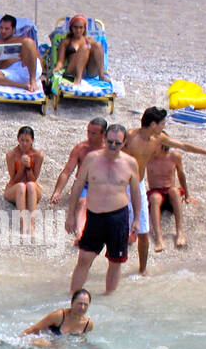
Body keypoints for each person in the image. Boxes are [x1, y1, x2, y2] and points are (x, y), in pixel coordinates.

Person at [121, 108, 206, 275]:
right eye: (163, 123)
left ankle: (142, 270)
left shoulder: (158, 138)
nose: (165, 125)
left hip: (139, 184)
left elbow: (183, 145)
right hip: (121, 184)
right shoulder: (130, 136)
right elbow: (111, 153)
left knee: (143, 231)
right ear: (154, 124)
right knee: (117, 225)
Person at [64, 124, 140, 295]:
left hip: (118, 217)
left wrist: (136, 219)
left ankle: (109, 297)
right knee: (84, 258)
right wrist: (70, 215)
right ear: (104, 138)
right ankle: (73, 297)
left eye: (118, 143)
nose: (113, 146)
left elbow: (135, 192)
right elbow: (77, 186)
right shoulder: (92, 159)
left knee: (115, 261)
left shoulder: (130, 163)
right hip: (95, 217)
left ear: (124, 142)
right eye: (110, 142)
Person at [48, 117, 106, 241]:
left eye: (94, 133)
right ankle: (80, 233)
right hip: (83, 183)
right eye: (88, 132)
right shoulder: (81, 148)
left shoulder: (109, 149)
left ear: (103, 134)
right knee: (82, 203)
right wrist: (57, 191)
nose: (89, 136)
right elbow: (67, 171)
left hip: (102, 185)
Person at [0, 14, 41, 95]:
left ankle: (33, 81)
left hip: (28, 69)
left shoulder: (22, 40)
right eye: (1, 28)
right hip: (11, 74)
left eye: (7, 29)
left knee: (29, 42)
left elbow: (38, 60)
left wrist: (25, 56)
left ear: (13, 30)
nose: (3, 31)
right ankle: (22, 86)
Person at [146, 143, 190, 251]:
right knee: (155, 198)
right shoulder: (147, 158)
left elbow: (181, 174)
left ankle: (180, 232)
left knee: (174, 191)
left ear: (163, 145)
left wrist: (187, 195)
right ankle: (159, 237)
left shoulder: (174, 156)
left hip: (170, 191)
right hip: (155, 192)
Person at [4, 125, 44, 239]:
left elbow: (33, 179)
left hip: (32, 189)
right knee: (21, 186)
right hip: (15, 188)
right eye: (22, 140)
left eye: (27, 141)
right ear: (18, 140)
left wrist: (28, 167)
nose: (24, 144)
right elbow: (14, 180)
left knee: (30, 185)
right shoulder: (11, 155)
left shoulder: (38, 155)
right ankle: (23, 225)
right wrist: (21, 166)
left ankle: (31, 225)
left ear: (32, 141)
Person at [51, 15, 107, 86]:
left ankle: (101, 74)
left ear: (84, 29)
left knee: (98, 45)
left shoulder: (89, 40)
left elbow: (98, 51)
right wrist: (57, 68)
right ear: (71, 28)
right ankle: (78, 79)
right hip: (73, 70)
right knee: (85, 48)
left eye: (81, 27)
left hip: (88, 71)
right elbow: (60, 61)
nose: (78, 30)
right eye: (75, 27)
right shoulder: (66, 42)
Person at [22, 289, 93, 339]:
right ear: (72, 303)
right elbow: (33, 329)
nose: (82, 307)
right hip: (44, 342)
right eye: (79, 304)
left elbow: (82, 341)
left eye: (85, 305)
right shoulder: (59, 316)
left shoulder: (88, 324)